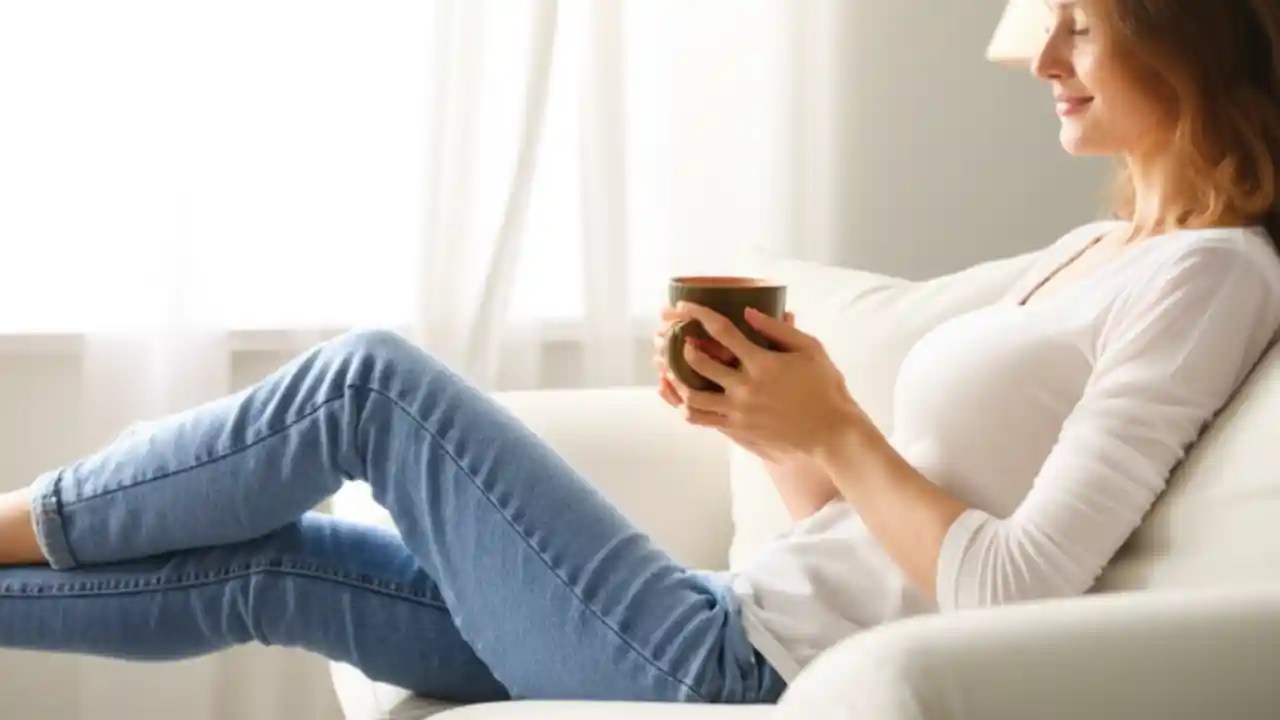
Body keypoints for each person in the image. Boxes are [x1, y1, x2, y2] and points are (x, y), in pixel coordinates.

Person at [0, 0, 1277, 705]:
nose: (1041, 56)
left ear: (1189, 34)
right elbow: (860, 547)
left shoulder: (1210, 275)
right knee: (275, 567)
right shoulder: (1086, 252)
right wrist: (778, 435)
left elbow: (1017, 597)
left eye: (1081, 26)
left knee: (369, 385)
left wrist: (834, 423)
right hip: (737, 616)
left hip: (723, 667)